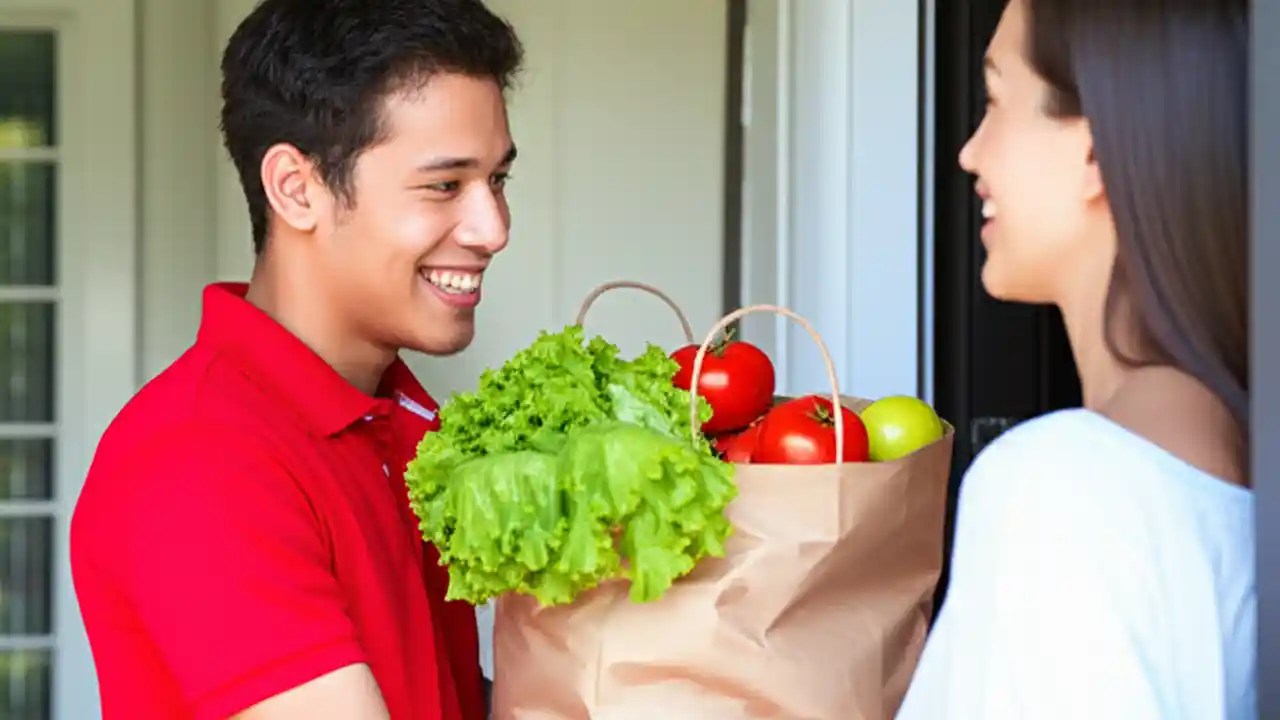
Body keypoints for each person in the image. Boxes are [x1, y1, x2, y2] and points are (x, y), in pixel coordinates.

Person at [69, 0, 522, 717]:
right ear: (296, 187)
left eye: (497, 180)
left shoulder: (401, 422)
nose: (493, 228)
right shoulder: (199, 458)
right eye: (445, 185)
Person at [897, 0, 1254, 718]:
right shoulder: (1230, 471)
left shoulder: (1060, 485)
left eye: (997, 100)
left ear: (1094, 151)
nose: (970, 151)